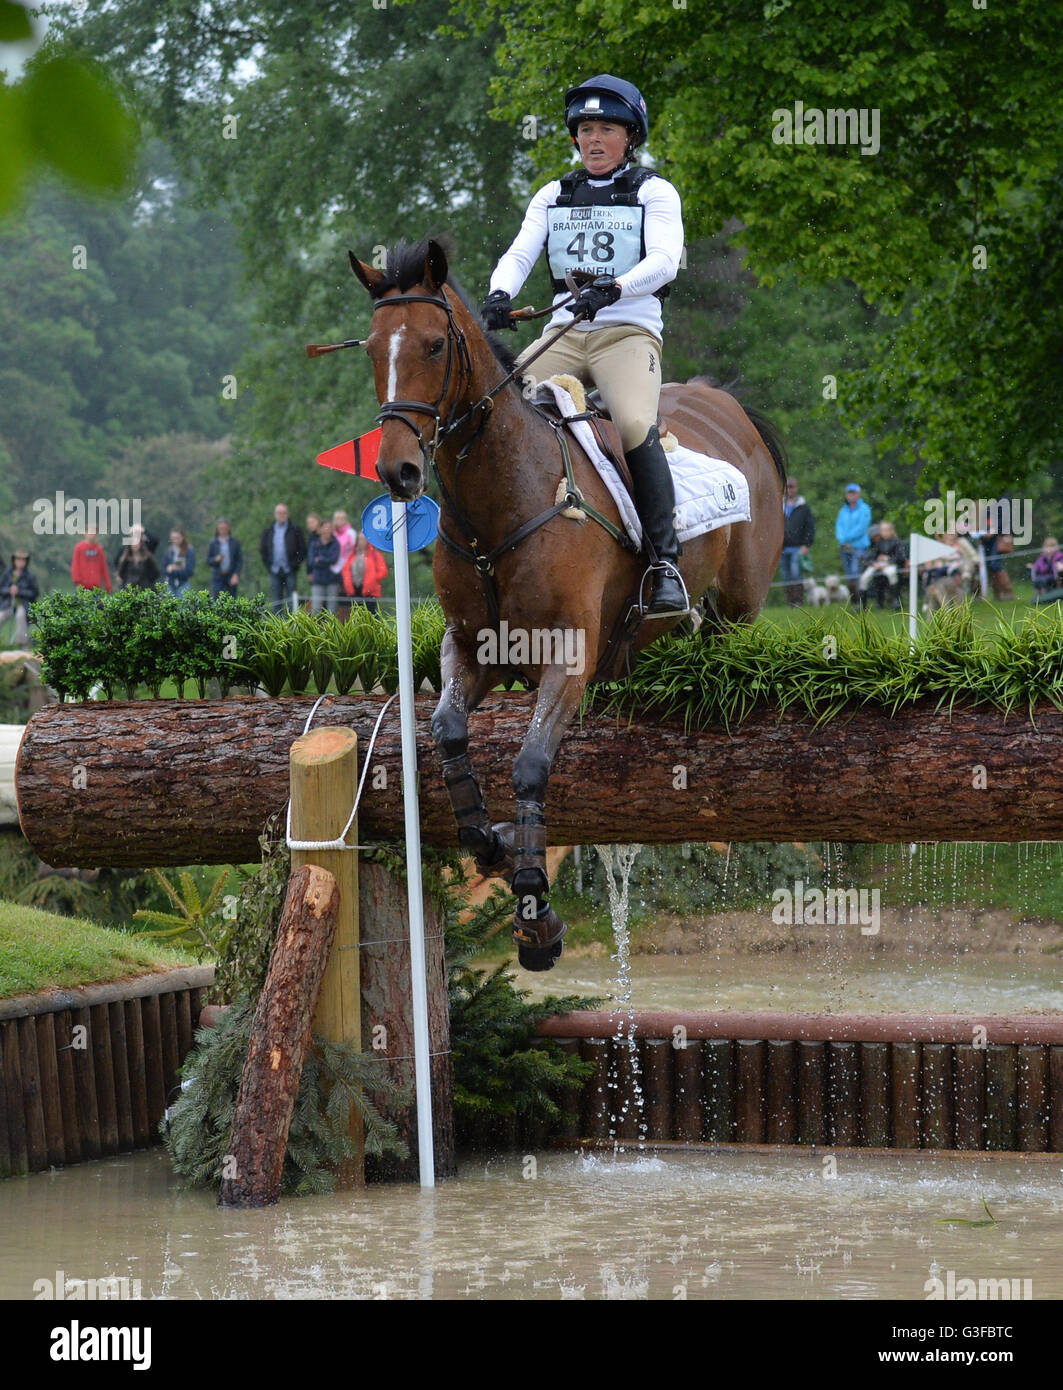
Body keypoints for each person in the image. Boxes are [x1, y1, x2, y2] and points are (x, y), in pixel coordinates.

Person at [481, 74, 688, 616]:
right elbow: (522, 251)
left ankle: (665, 565)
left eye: (607, 130)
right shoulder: (554, 193)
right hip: (566, 332)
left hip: (627, 330)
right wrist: (499, 293)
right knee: (496, 404)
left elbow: (665, 260)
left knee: (635, 426)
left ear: (630, 137)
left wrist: (615, 287)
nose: (594, 139)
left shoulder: (653, 190)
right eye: (586, 129)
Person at [259, 503, 306, 613]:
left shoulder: (295, 530)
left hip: (290, 570)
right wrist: (269, 565)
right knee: (276, 600)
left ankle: (292, 626)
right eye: (279, 513)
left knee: (292, 600)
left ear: (287, 514)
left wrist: (295, 564)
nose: (282, 515)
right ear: (275, 514)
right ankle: (277, 627)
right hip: (275, 570)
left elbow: (303, 549)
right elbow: (263, 550)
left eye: (284, 513)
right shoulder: (269, 530)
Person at [780, 476, 815, 606]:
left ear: (796, 488)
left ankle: (798, 601)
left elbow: (810, 528)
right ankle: (790, 602)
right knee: (785, 576)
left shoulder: (804, 508)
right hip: (782, 548)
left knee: (796, 574)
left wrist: (806, 544)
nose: (789, 490)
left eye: (792, 486)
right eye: (787, 487)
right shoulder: (779, 506)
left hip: (798, 548)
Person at [857, 520, 906, 608]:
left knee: (891, 573)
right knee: (864, 577)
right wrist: (874, 562)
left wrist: (889, 560)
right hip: (878, 565)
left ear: (891, 530)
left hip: (890, 565)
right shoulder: (879, 543)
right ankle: (862, 604)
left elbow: (901, 557)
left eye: (886, 530)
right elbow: (872, 556)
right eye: (882, 530)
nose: (884, 532)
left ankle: (896, 600)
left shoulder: (897, 542)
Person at [835, 483, 872, 600]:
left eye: (853, 493)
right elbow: (838, 527)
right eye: (849, 493)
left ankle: (862, 600)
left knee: (856, 573)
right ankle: (854, 601)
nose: (851, 495)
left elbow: (861, 528)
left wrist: (846, 538)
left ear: (858, 494)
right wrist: (842, 539)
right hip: (845, 547)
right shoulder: (843, 511)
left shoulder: (864, 509)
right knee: (849, 574)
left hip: (859, 547)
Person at [340, 531, 387, 616]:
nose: (362, 542)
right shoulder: (352, 555)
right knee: (356, 615)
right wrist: (348, 583)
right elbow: (345, 569)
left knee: (371, 615)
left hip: (370, 592)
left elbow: (383, 571)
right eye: (360, 539)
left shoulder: (375, 555)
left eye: (364, 539)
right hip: (354, 590)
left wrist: (373, 580)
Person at [0, 549, 39, 648]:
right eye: (18, 559)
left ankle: (22, 644)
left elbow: (34, 592)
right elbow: (1, 588)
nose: (20, 562)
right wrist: (9, 590)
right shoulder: (8, 574)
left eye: (23, 560)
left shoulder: (30, 576)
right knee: (1, 616)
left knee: (20, 616)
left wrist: (20, 591)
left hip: (23, 604)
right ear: (14, 560)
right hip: (8, 603)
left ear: (26, 562)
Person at [307, 519, 341, 613]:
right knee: (316, 609)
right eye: (325, 527)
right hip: (318, 580)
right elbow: (311, 562)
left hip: (332, 580)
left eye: (329, 528)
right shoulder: (314, 544)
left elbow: (334, 560)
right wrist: (326, 561)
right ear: (320, 529)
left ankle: (331, 628)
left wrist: (320, 560)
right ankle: (316, 628)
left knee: (332, 610)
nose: (327, 530)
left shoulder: (335, 543)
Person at [206, 519, 243, 598]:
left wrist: (236, 574)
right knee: (217, 600)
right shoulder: (213, 543)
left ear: (228, 528)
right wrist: (215, 559)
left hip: (231, 576)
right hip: (218, 578)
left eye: (224, 528)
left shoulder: (234, 542)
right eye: (220, 528)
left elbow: (239, 560)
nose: (222, 530)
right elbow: (208, 561)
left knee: (232, 600)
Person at [71, 527, 112, 594]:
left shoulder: (99, 549)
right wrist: (77, 582)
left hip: (95, 588)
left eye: (94, 532)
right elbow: (75, 566)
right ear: (85, 533)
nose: (92, 535)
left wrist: (108, 586)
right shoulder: (79, 548)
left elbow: (104, 568)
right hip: (82, 587)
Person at [162, 527, 195, 597]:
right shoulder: (169, 551)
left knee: (183, 607)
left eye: (177, 538)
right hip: (169, 584)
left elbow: (189, 571)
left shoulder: (189, 551)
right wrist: (177, 568)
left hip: (183, 584)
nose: (175, 540)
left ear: (182, 537)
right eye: (173, 538)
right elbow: (164, 570)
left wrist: (173, 570)